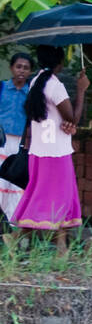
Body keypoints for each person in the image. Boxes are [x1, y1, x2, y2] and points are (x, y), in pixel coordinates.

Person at [10, 45, 88, 250]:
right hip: (56, 153)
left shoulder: (36, 81)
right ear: (59, 65)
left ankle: (59, 245)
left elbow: (59, 119)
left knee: (43, 195)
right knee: (57, 197)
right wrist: (81, 90)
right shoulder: (55, 85)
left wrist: (66, 124)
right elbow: (73, 118)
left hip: (39, 151)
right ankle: (19, 235)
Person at [0, 52, 34, 223]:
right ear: (11, 68)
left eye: (26, 68)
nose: (21, 71)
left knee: (16, 185)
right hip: (1, 143)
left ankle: (13, 224)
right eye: (18, 66)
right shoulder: (1, 88)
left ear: (30, 72)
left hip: (21, 145)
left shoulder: (32, 93)